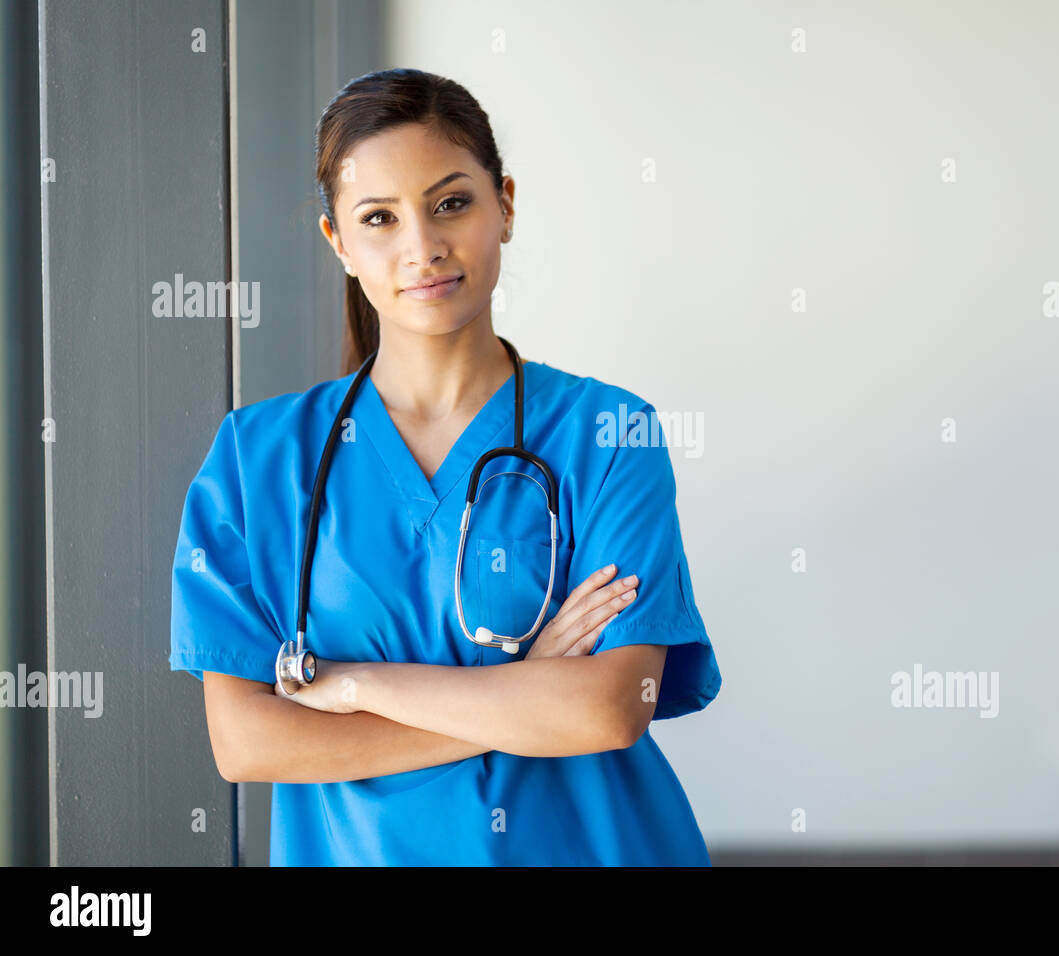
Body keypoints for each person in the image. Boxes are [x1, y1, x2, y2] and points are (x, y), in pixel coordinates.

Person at [167, 68, 721, 865]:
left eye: (451, 203)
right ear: (340, 244)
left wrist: (355, 686)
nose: (423, 247)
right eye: (380, 218)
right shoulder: (260, 459)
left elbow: (608, 709)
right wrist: (523, 691)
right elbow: (249, 743)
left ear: (506, 206)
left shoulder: (609, 432)